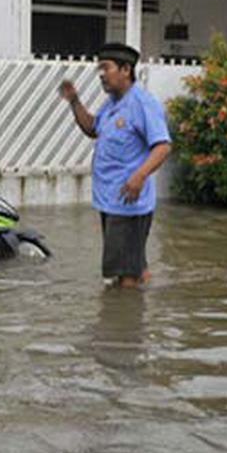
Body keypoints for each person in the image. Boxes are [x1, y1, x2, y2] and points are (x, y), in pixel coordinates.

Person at [59, 43, 171, 288]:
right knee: (133, 267)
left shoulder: (142, 104)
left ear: (125, 70)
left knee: (125, 278)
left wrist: (139, 176)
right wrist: (74, 101)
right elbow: (93, 128)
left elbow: (162, 146)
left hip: (129, 204)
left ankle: (126, 312)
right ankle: (142, 302)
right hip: (110, 200)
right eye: (99, 69)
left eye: (106, 68)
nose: (101, 74)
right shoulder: (111, 104)